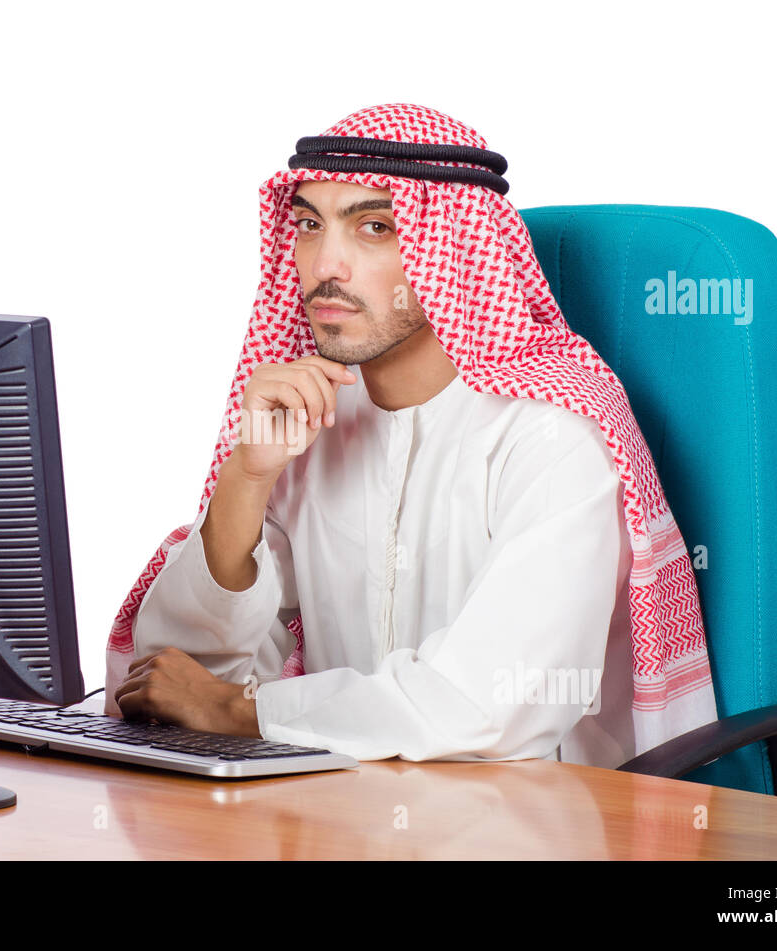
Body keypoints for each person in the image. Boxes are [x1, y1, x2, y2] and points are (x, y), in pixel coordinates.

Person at [104, 103, 717, 766]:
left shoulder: (553, 433)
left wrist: (239, 712)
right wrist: (244, 482)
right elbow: (164, 685)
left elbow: (484, 711)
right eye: (309, 224)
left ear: (450, 248)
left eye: (373, 226)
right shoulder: (311, 425)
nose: (325, 265)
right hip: (347, 814)